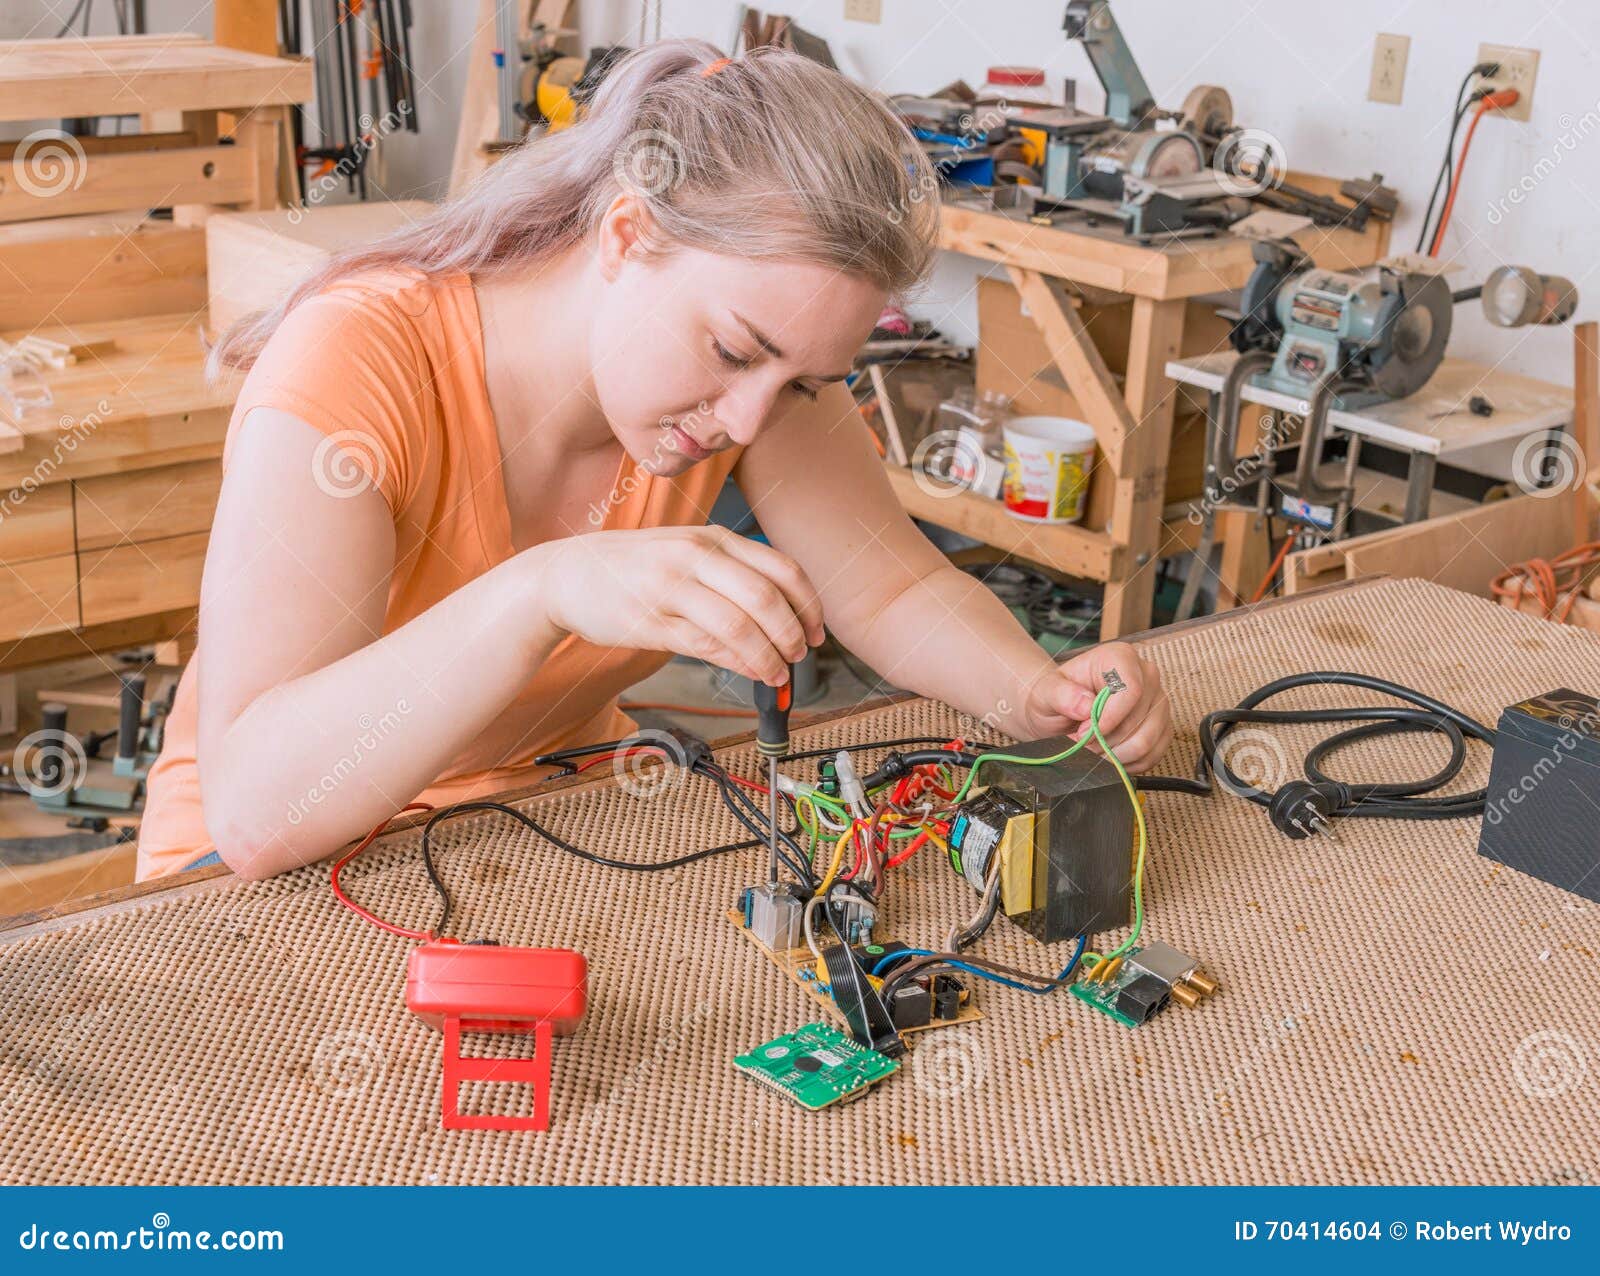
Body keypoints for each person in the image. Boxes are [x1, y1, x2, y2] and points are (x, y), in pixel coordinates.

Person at [136, 40, 1173, 882]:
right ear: (628, 234)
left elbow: (895, 589)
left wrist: (1036, 694)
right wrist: (542, 590)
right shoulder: (360, 358)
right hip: (257, 873)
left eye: (801, 381)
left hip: (539, 823)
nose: (746, 417)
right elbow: (262, 813)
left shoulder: (766, 385)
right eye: (733, 352)